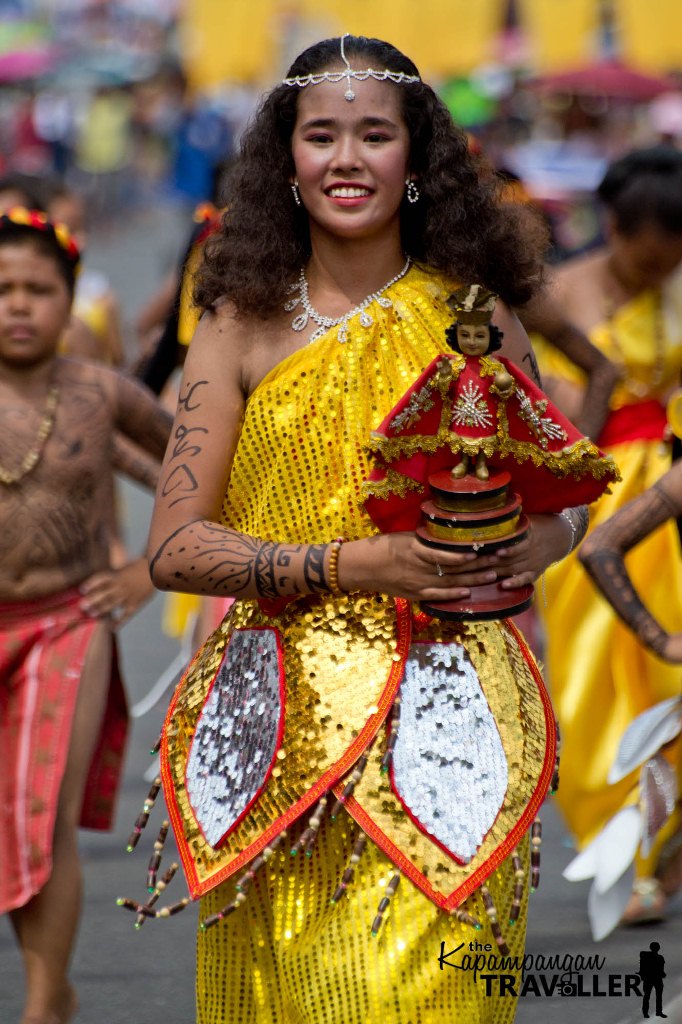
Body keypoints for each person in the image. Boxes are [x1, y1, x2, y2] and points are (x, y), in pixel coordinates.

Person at [145, 35, 585, 1024]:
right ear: (284, 159)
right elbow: (173, 547)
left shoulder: (479, 321)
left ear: (416, 158)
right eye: (322, 135)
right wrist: (357, 563)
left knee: (437, 997)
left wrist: (537, 542)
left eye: (375, 134)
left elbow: (559, 502)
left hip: (455, 717)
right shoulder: (235, 325)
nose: (347, 158)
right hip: (276, 718)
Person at [0, 207, 173, 1024]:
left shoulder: (99, 394)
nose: (18, 305)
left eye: (38, 290)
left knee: (42, 813)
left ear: (72, 301)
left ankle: (42, 1005)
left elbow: (200, 470)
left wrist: (148, 568)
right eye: (1, 290)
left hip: (68, 622)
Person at [534, 145, 682, 924]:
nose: (657, 272)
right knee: (593, 681)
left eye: (674, 257)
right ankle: (623, 853)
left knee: (671, 673)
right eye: (643, 254)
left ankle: (661, 848)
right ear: (612, 226)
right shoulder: (559, 293)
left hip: (671, 492)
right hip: (587, 497)